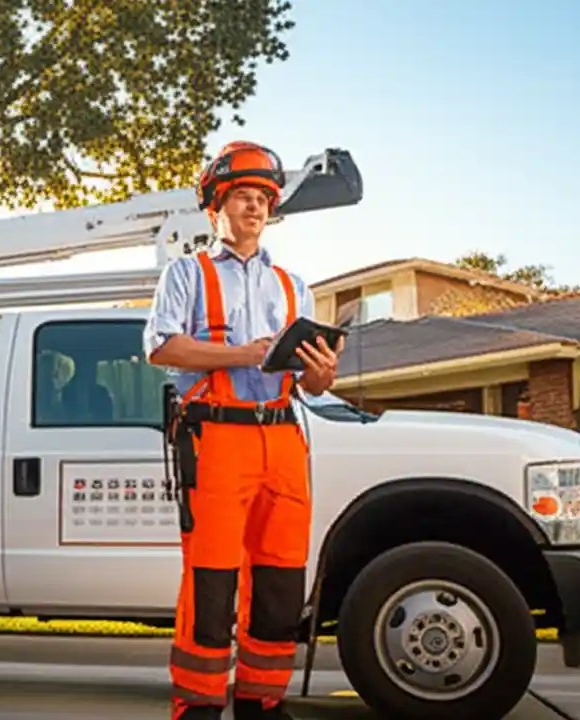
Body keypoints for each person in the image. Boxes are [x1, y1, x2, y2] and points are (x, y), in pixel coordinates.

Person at [143, 141, 343, 720]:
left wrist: (321, 375)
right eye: (242, 197)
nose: (254, 207)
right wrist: (241, 355)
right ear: (216, 208)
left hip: (283, 437)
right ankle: (199, 704)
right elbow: (161, 347)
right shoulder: (187, 273)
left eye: (262, 199)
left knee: (281, 580)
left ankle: (261, 699)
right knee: (211, 582)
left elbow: (311, 388)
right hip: (217, 438)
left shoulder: (292, 285)